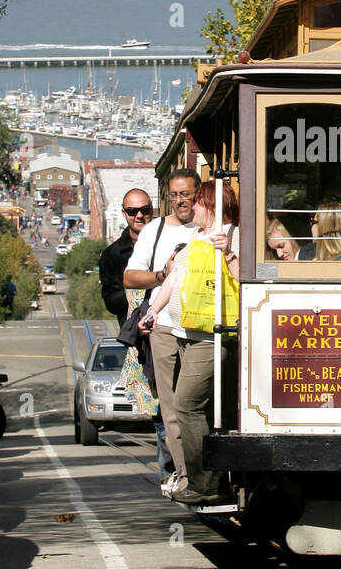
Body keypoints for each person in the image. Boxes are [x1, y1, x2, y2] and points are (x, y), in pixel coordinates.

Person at [141, 179, 239, 506]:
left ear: (211, 205)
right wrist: (153, 310)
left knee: (186, 405)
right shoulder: (194, 236)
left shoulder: (233, 235)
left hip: (213, 336)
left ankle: (205, 482)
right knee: (203, 410)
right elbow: (174, 278)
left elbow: (247, 278)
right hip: (187, 334)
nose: (190, 207)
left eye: (197, 201)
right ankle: (208, 479)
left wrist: (228, 252)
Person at [124, 169, 200, 494]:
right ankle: (186, 476)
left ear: (200, 193)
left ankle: (204, 473)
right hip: (165, 328)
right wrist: (160, 276)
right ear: (169, 197)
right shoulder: (153, 230)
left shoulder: (209, 227)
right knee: (169, 407)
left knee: (194, 403)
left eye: (188, 193)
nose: (182, 200)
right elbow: (129, 277)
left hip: (201, 329)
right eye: (176, 195)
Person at [98, 188, 154, 324]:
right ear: (124, 213)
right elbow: (111, 302)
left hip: (166, 328)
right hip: (134, 332)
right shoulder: (111, 255)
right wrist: (139, 293)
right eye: (132, 211)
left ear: (152, 210)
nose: (139, 215)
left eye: (145, 210)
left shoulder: (167, 243)